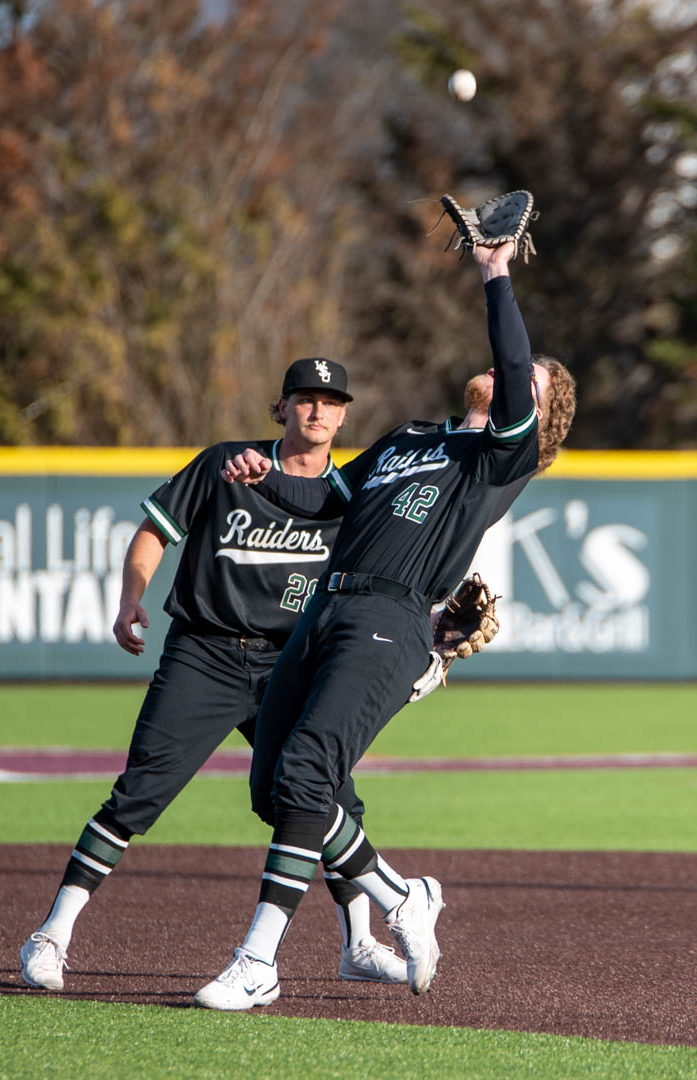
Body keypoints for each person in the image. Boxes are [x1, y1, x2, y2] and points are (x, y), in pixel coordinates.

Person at [193, 238, 576, 1010]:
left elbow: (511, 361)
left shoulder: (502, 457)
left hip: (391, 614)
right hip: (324, 608)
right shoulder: (411, 439)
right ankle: (406, 895)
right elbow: (330, 500)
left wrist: (495, 272)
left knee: (306, 774)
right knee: (276, 790)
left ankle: (259, 961)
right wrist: (270, 478)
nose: (507, 377)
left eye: (524, 381)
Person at [17, 358, 414, 992]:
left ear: (343, 415)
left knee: (331, 796)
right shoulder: (227, 464)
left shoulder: (353, 495)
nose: (317, 410)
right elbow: (154, 531)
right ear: (280, 408)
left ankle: (358, 944)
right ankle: (51, 934)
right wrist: (129, 599)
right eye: (304, 399)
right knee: (139, 792)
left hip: (290, 664)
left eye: (330, 401)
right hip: (205, 653)